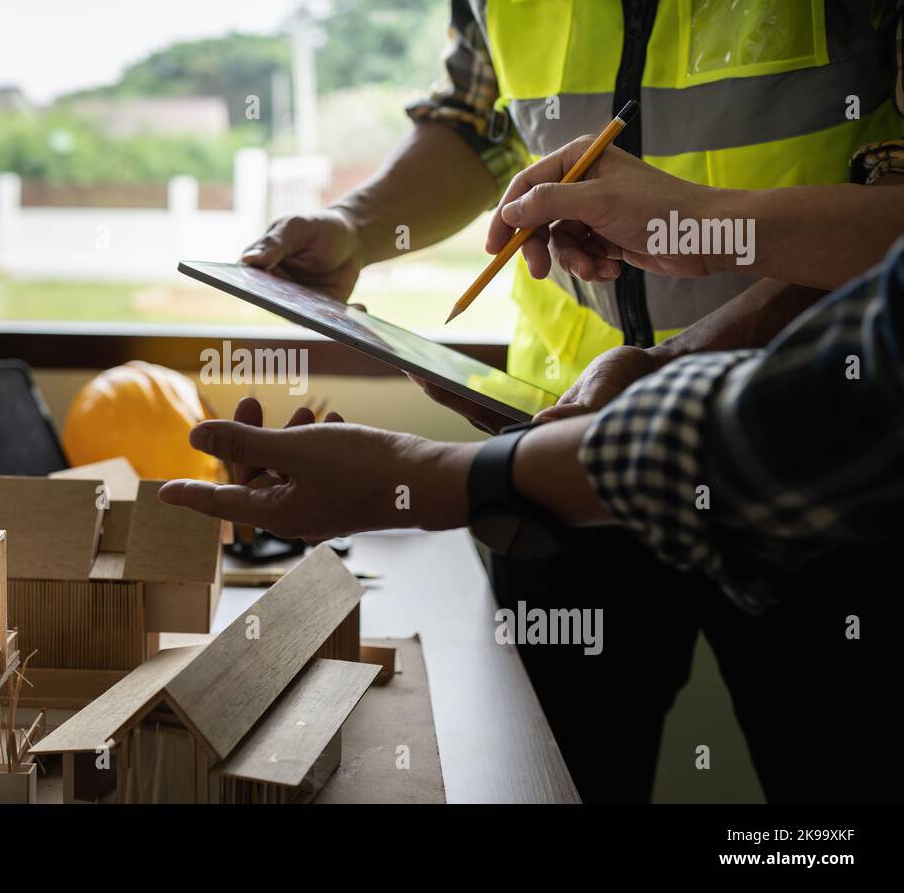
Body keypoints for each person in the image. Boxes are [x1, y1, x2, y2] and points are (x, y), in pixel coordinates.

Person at [234, 0, 904, 801]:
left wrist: (676, 344)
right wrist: (358, 226)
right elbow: (477, 123)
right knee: (550, 780)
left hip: (820, 436)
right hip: (554, 434)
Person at [161, 233, 904, 802]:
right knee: (557, 773)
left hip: (825, 518)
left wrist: (433, 478)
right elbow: (466, 118)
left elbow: (815, 408)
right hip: (553, 455)